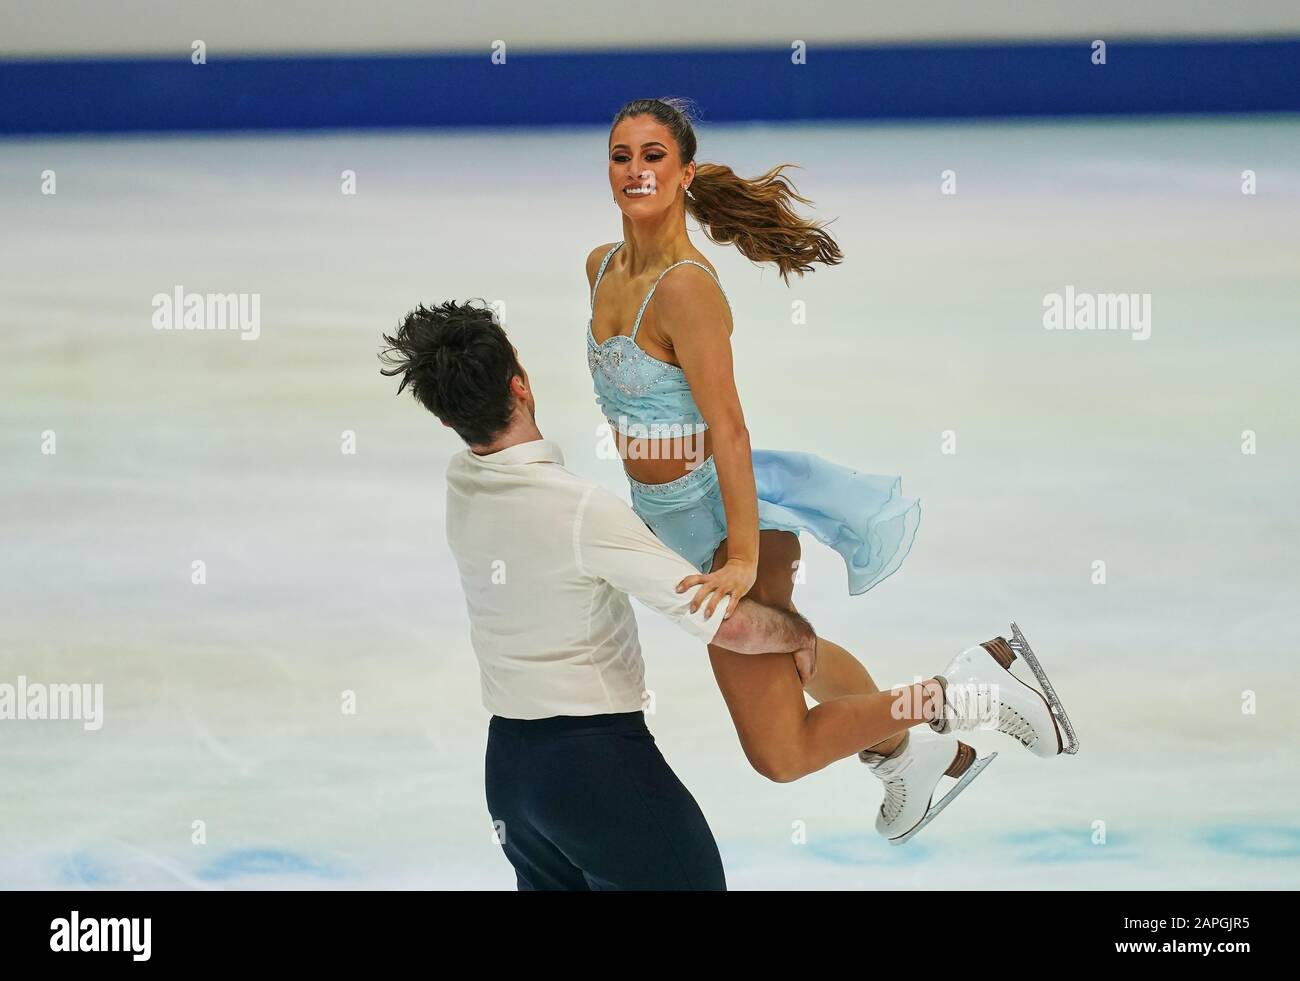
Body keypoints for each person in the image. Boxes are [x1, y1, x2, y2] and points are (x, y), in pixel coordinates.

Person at [380, 303, 1070, 893]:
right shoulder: (580, 513)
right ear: (521, 384)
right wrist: (795, 635)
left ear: (448, 424)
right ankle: (960, 694)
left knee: (781, 740)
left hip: (512, 780)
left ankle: (910, 747)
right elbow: (730, 625)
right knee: (781, 744)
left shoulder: (462, 486)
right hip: (598, 770)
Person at [584, 97, 1079, 842]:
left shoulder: (686, 288)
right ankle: (910, 758)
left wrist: (744, 557)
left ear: (684, 172)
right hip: (673, 532)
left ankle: (965, 688)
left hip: (725, 526)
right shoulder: (601, 267)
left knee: (781, 751)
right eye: (623, 155)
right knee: (801, 655)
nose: (636, 170)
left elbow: (730, 428)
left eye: (654, 156)